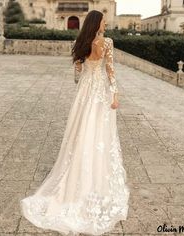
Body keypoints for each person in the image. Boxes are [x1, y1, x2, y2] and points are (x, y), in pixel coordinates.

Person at [20, 10, 130, 236]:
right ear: (97, 22)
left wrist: (84, 78)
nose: (106, 23)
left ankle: (75, 176)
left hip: (84, 94)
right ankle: (94, 182)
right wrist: (115, 95)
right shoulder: (107, 42)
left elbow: (77, 76)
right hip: (100, 95)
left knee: (81, 130)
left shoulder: (80, 42)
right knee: (99, 133)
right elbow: (111, 71)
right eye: (103, 20)